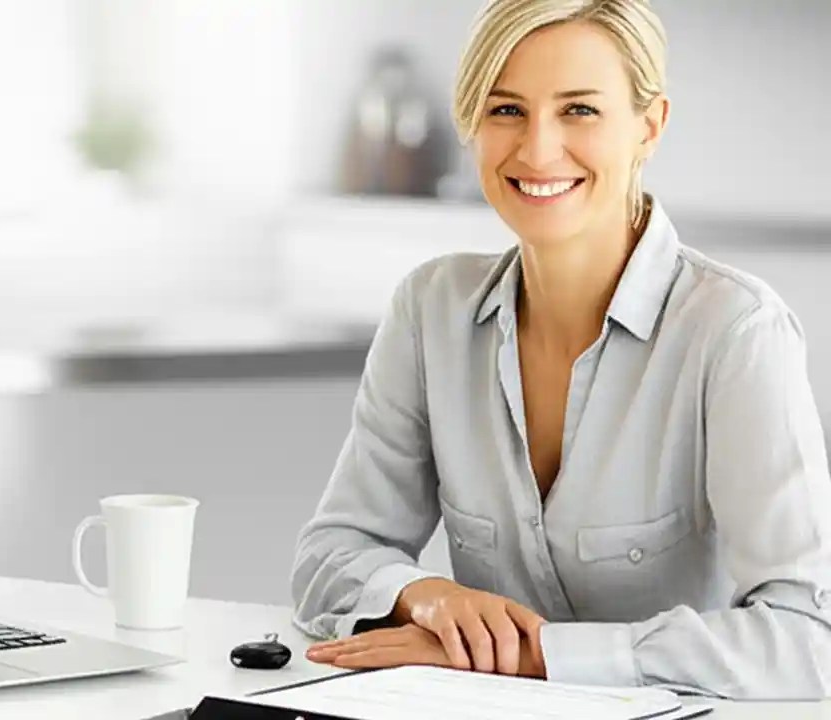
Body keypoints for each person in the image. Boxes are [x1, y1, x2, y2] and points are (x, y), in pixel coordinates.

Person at [290, 0, 831, 700]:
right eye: (506, 110)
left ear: (649, 126)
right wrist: (427, 597)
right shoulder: (430, 310)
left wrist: (536, 653)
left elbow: (809, 636)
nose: (538, 150)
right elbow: (329, 555)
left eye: (579, 110)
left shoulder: (735, 332)